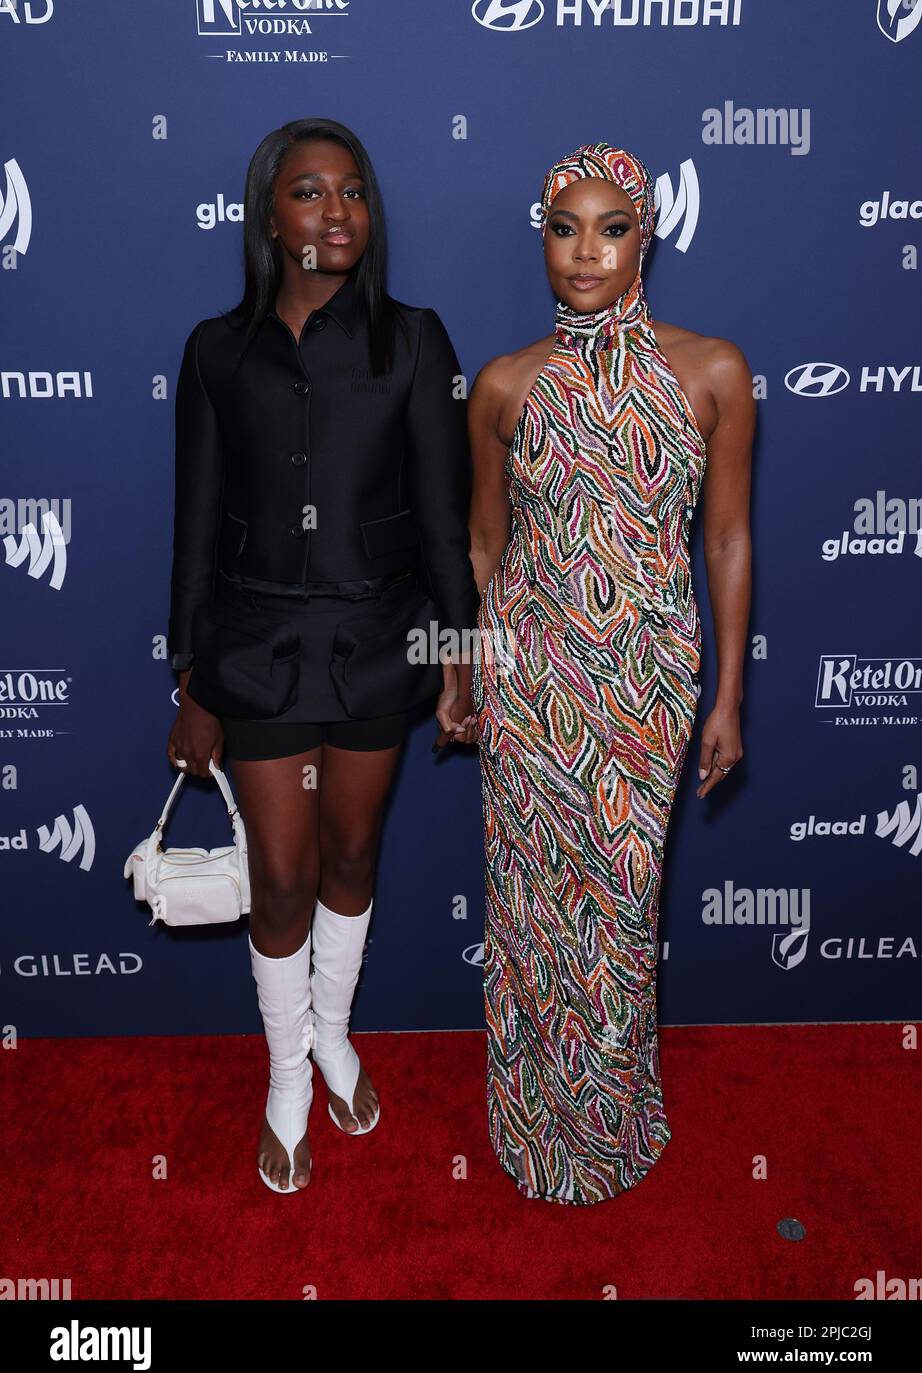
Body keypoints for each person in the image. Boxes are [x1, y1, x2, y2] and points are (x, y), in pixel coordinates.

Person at [165, 118, 479, 1194]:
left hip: (379, 645)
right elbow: (195, 518)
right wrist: (191, 674)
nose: (336, 210)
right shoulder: (217, 350)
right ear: (268, 217)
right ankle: (285, 1080)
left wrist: (459, 657)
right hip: (251, 650)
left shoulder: (416, 340)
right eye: (309, 191)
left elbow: (445, 518)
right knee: (282, 874)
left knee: (350, 859)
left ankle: (334, 1038)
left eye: (352, 192)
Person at [450, 142, 754, 1204]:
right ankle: (533, 1120)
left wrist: (726, 695)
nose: (585, 252)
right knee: (531, 910)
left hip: (648, 684)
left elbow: (724, 541)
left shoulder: (711, 372)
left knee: (619, 907)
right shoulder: (501, 384)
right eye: (563, 227)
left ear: (646, 234)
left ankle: (610, 1122)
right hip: (533, 687)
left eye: (609, 227)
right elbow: (483, 550)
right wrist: (463, 676)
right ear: (541, 235)